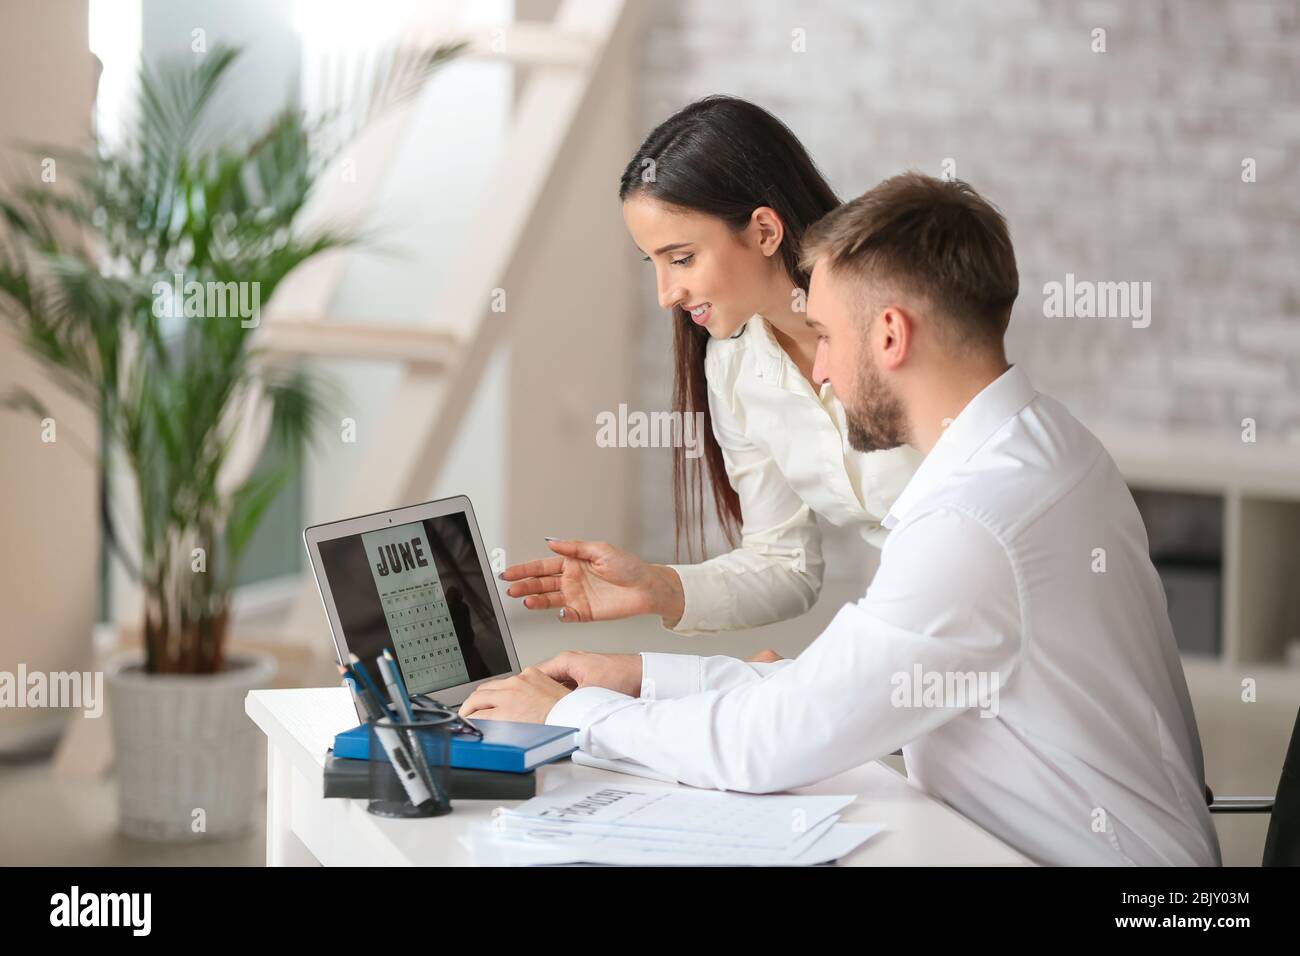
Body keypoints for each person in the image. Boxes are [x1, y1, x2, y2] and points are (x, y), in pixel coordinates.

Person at [461, 172, 1222, 867]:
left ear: (890, 335)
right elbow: (852, 687)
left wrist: (575, 714)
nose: (817, 369)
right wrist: (642, 678)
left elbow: (770, 745)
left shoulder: (970, 524)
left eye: (824, 335)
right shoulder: (1046, 445)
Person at [499, 95, 919, 636]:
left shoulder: (898, 319)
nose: (665, 294)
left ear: (765, 232)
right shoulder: (734, 366)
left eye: (681, 258)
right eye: (653, 263)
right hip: (916, 619)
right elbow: (783, 564)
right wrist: (656, 586)